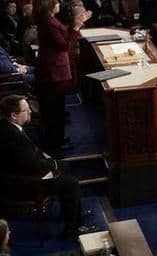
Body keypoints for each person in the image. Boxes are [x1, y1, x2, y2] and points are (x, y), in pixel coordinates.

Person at [0, 95, 97, 238]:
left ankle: (72, 213)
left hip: (22, 174)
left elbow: (29, 153)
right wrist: (53, 163)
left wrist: (45, 157)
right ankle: (73, 229)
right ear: (14, 115)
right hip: (23, 185)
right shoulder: (12, 136)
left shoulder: (6, 126)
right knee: (70, 182)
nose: (31, 112)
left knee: (65, 169)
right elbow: (33, 166)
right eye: (26, 110)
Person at [35, 0, 89, 150]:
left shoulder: (50, 21)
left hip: (53, 70)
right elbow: (65, 45)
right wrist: (77, 26)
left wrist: (75, 24)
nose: (58, 4)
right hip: (53, 72)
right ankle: (56, 142)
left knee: (55, 108)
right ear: (49, 6)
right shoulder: (49, 24)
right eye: (56, 2)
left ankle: (56, 138)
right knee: (55, 109)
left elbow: (64, 34)